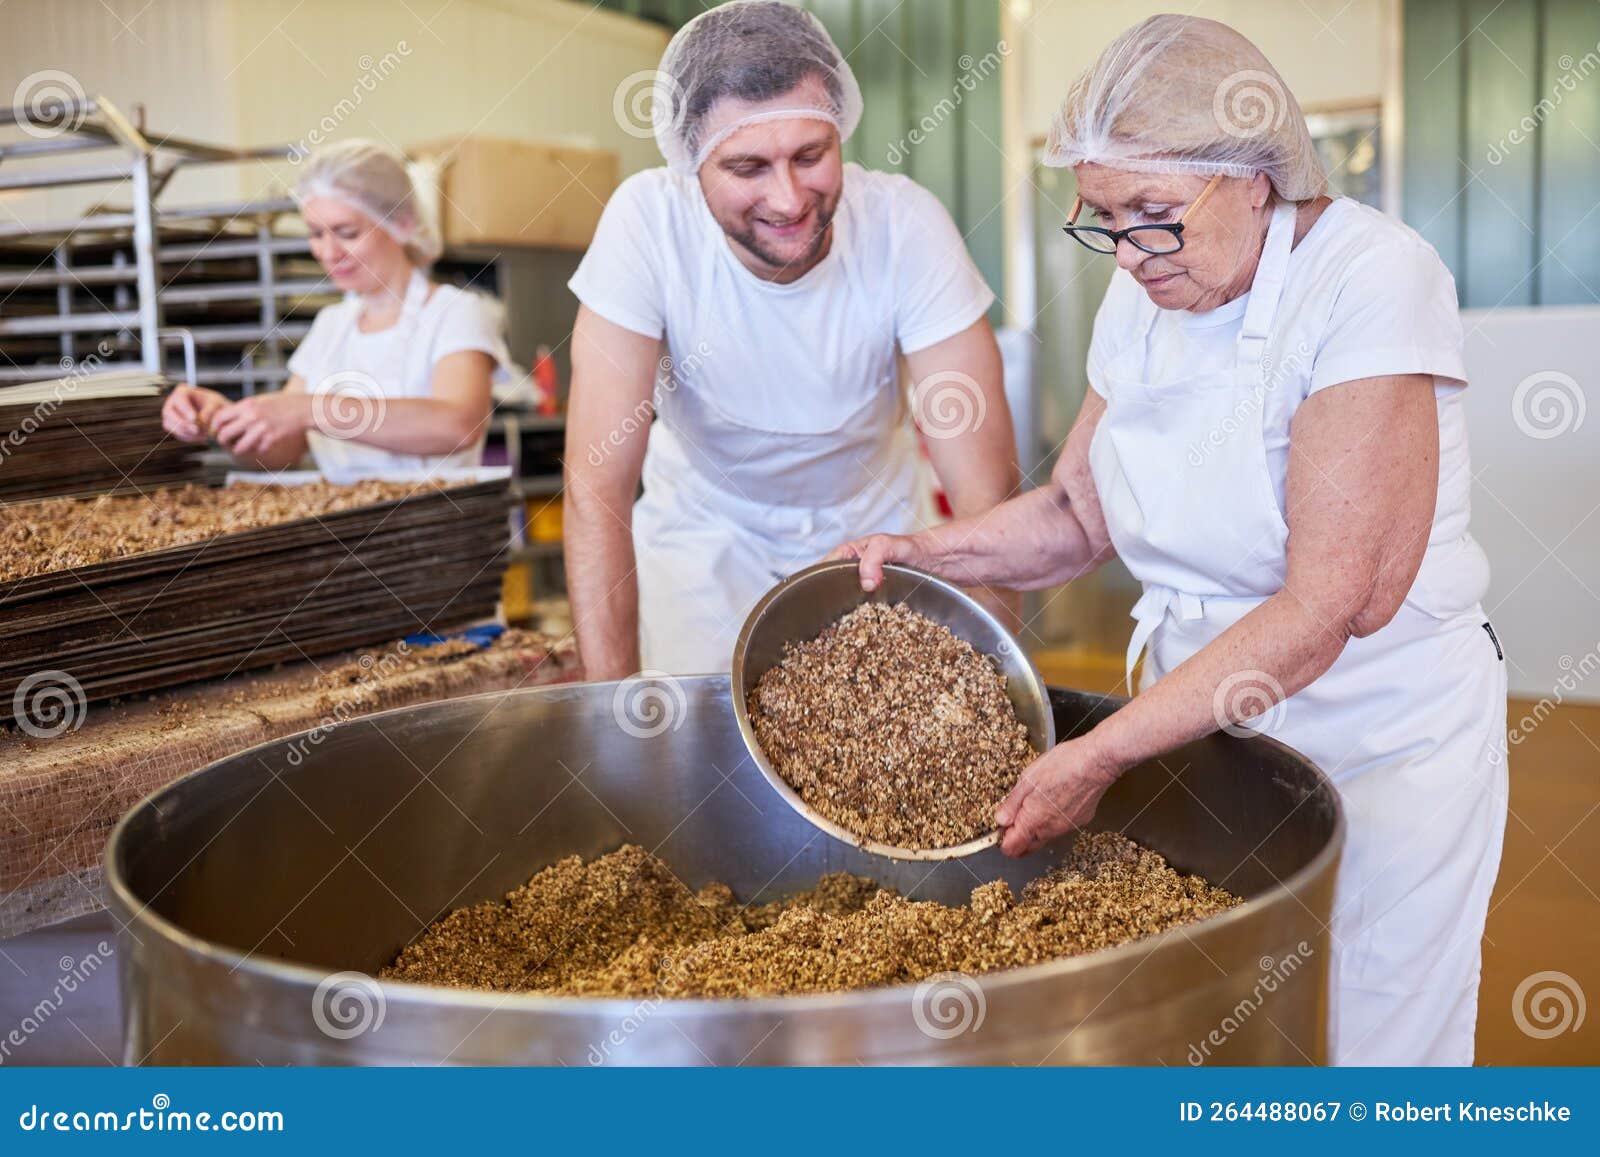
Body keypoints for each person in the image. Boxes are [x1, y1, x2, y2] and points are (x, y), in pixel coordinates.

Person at [833, 14, 1507, 1067]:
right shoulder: (1143, 288)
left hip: (1374, 727)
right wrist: (926, 553)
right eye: (1101, 217)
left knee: (1373, 1030)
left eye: (1152, 214)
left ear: (1252, 175)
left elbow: (1330, 600)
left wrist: (1098, 750)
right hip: (1195, 730)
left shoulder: (1371, 277)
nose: (1129, 250)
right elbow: (1073, 514)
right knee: (1214, 1016)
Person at [564, 0, 1020, 679]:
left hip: (877, 528)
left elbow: (987, 498)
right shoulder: (647, 225)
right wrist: (612, 712)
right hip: (705, 534)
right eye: (747, 168)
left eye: (811, 154)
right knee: (702, 753)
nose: (788, 199)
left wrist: (988, 685)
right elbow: (596, 487)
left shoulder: (905, 227)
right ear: (690, 163)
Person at [161, 139, 510, 477]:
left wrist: (308, 409)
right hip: (349, 528)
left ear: (401, 224)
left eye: (346, 232)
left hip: (443, 528)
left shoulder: (455, 311)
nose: (328, 252)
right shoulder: (332, 324)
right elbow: (282, 453)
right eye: (316, 233)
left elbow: (456, 426)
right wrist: (229, 422)